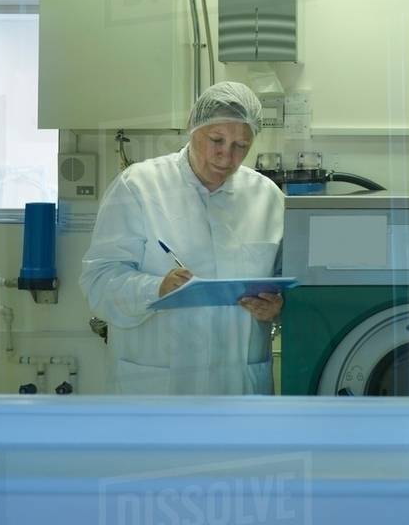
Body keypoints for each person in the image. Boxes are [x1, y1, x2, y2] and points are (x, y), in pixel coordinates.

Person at [81, 82, 284, 394]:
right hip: (156, 387)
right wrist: (156, 287)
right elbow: (99, 281)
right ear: (193, 128)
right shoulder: (138, 187)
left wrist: (278, 307)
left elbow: (290, 283)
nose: (225, 157)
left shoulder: (267, 197)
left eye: (240, 146)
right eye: (216, 140)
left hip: (239, 386)